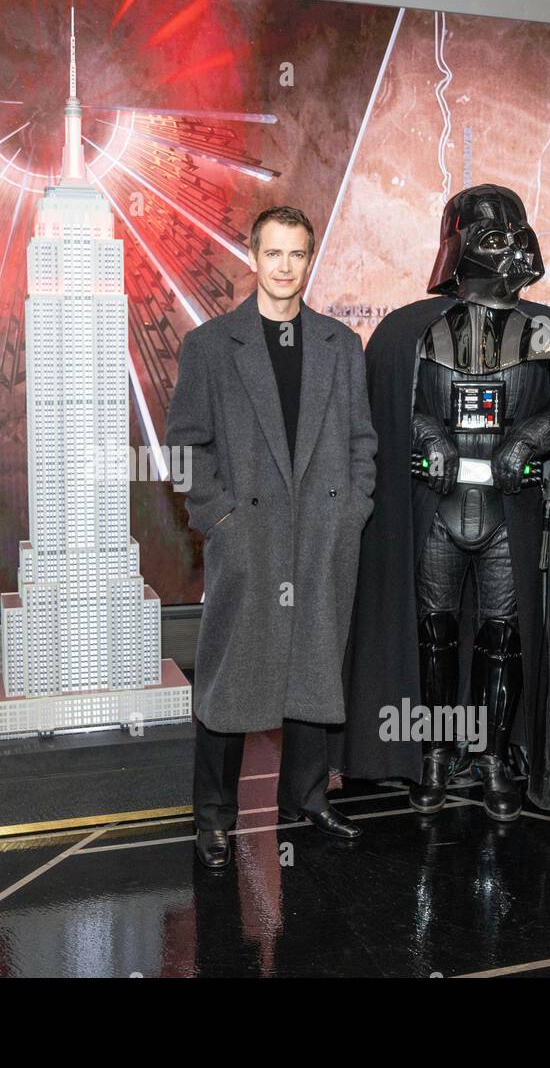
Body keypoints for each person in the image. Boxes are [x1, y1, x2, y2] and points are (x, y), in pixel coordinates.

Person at [338, 185, 550, 820]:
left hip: (507, 514)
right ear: (458, 248)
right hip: (438, 507)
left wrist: (529, 440)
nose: (508, 250)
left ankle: (491, 754)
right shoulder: (409, 333)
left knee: (502, 635)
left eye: (515, 235)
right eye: (491, 238)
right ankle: (433, 751)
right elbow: (390, 415)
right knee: (434, 632)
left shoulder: (548, 332)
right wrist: (429, 435)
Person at [165, 206, 377, 869]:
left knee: (315, 666)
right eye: (274, 253)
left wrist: (353, 510)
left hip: (322, 532)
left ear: (310, 260)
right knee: (231, 682)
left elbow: (362, 440)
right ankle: (214, 817)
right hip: (247, 537)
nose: (285, 267)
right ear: (251, 257)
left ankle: (306, 798)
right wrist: (219, 519)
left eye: (297, 255)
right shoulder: (210, 345)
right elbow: (184, 448)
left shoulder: (342, 346)